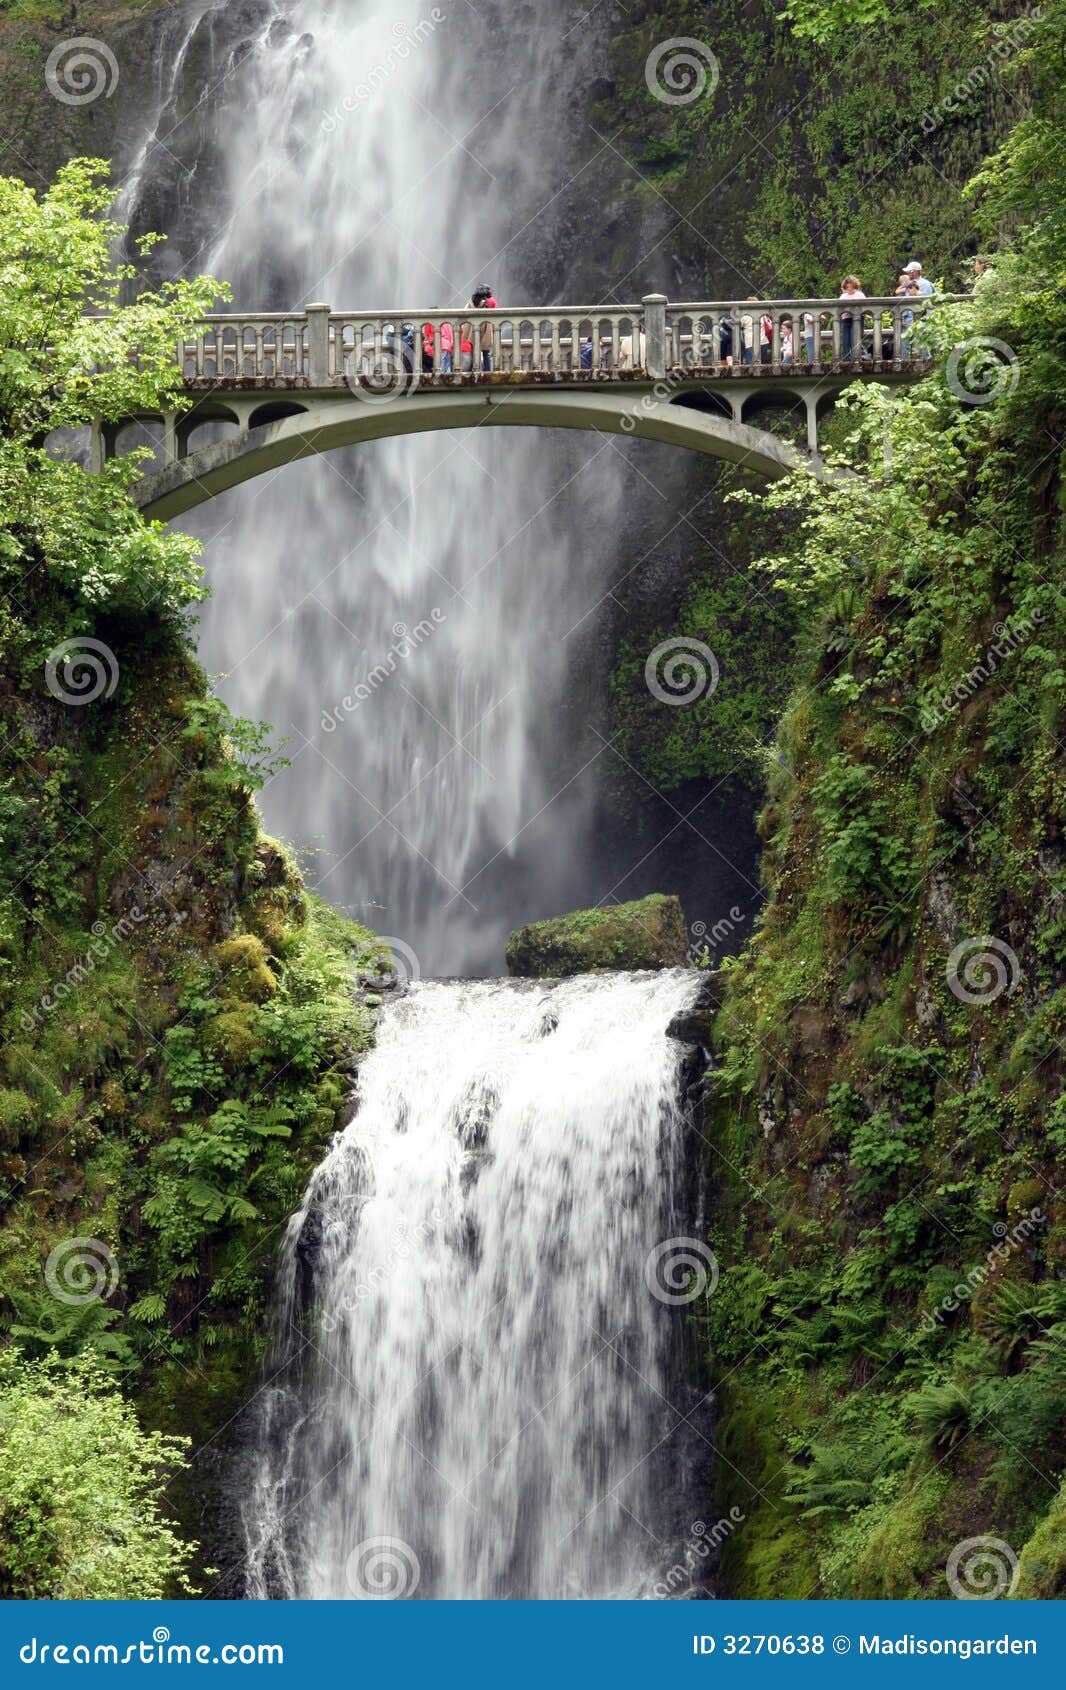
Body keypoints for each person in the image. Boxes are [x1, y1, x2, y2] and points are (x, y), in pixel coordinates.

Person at [839, 275, 865, 360]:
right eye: (847, 287)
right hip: (846, 320)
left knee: (856, 339)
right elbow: (838, 310)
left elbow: (865, 308)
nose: (849, 289)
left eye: (851, 286)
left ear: (854, 285)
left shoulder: (860, 295)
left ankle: (857, 358)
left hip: (857, 320)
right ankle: (847, 359)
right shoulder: (843, 297)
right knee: (846, 341)